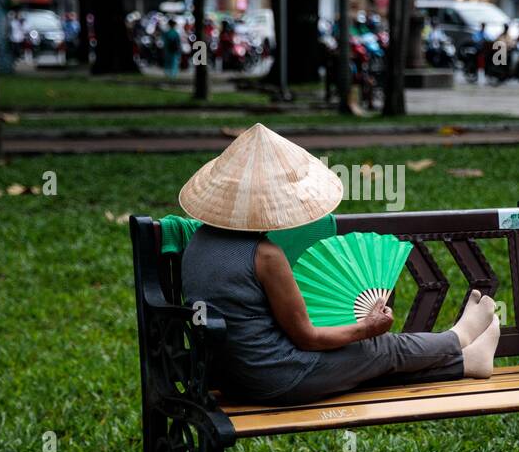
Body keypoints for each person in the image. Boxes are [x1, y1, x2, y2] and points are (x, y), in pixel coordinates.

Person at [179, 124, 501, 405]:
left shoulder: (196, 243)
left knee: (363, 367)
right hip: (277, 378)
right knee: (381, 349)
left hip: (227, 379)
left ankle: (468, 361)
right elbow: (307, 338)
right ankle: (459, 336)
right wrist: (366, 329)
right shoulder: (265, 256)